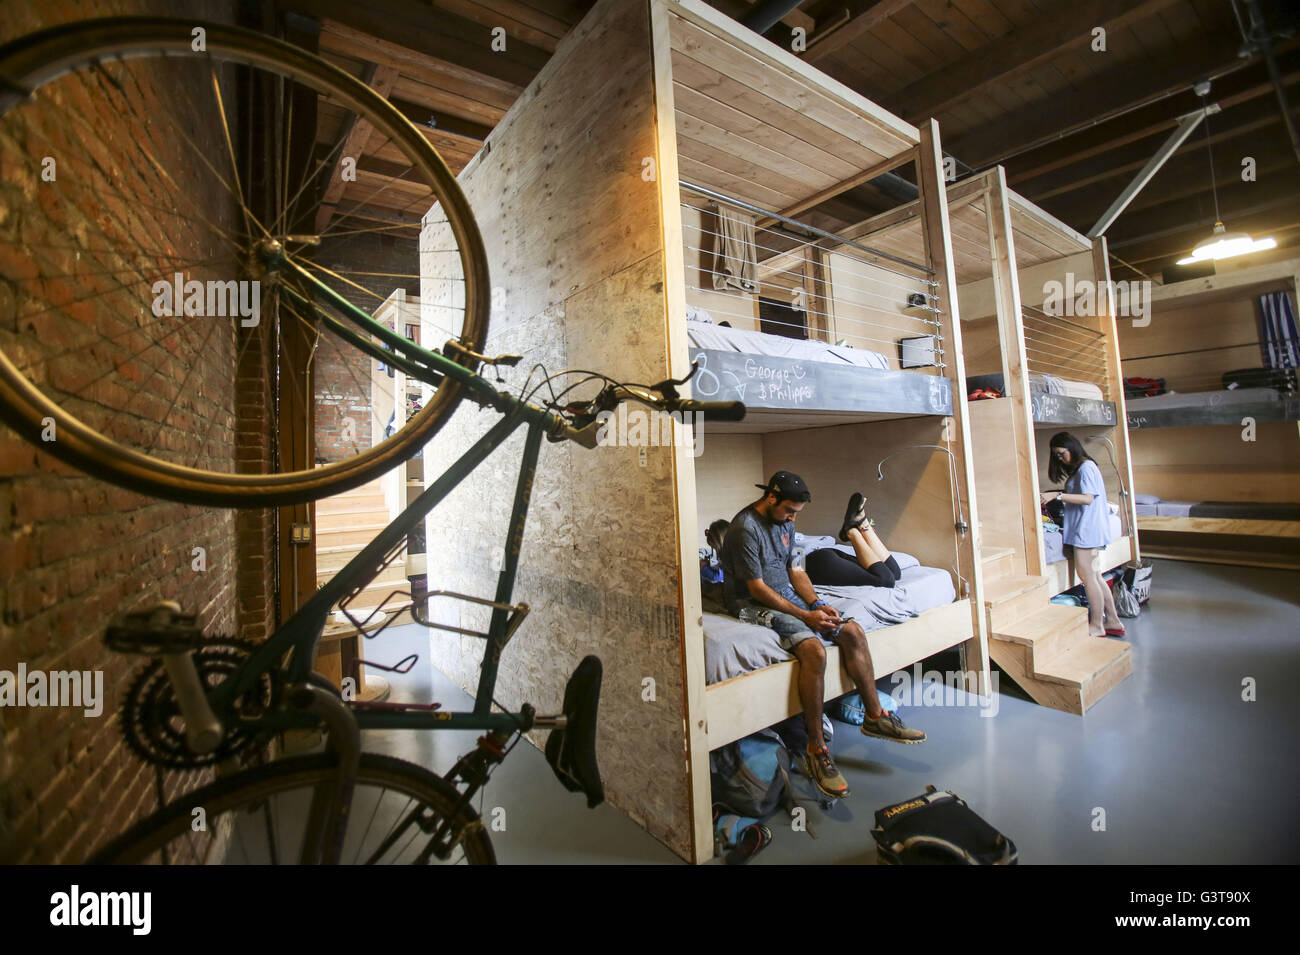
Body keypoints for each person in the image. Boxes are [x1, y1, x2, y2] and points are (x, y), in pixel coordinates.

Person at [720, 471, 926, 800]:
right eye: (789, 510)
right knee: (814, 651)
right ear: (771, 498)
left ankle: (875, 716)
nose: (792, 518)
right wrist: (804, 616)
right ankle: (816, 750)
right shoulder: (745, 528)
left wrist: (818, 603)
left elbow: (797, 569)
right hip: (749, 604)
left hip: (786, 594)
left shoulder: (787, 523)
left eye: (796, 513)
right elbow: (756, 588)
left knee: (853, 630)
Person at [1041, 432, 1125, 638]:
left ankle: (1096, 625)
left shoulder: (1087, 468)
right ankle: (1113, 620)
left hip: (1086, 531)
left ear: (1072, 448)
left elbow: (1088, 499)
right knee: (1095, 576)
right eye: (1056, 456)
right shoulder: (1084, 468)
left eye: (1061, 454)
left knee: (1089, 578)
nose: (1060, 459)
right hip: (1088, 529)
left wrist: (1057, 495)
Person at [804, 492, 903, 588]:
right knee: (890, 576)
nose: (792, 518)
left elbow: (795, 559)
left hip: (817, 562)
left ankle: (855, 528)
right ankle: (858, 525)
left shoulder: (790, 535)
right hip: (817, 561)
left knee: (890, 576)